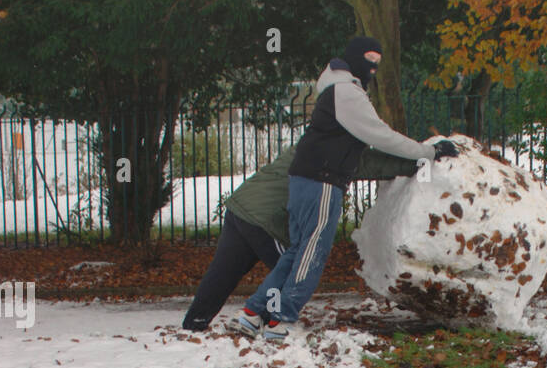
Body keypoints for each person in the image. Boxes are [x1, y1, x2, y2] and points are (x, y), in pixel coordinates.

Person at [227, 34, 458, 343]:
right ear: (354, 58)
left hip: (305, 179)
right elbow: (381, 135)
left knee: (297, 251)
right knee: (312, 253)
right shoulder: (347, 93)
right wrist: (427, 152)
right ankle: (280, 319)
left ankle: (254, 313)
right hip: (322, 181)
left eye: (378, 61)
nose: (373, 67)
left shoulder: (336, 89)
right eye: (369, 60)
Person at [181, 142, 426, 331]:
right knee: (289, 270)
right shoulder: (335, 152)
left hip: (241, 206)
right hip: (267, 219)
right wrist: (416, 163)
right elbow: (373, 164)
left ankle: (195, 321)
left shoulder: (310, 143)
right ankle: (267, 319)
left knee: (223, 271)